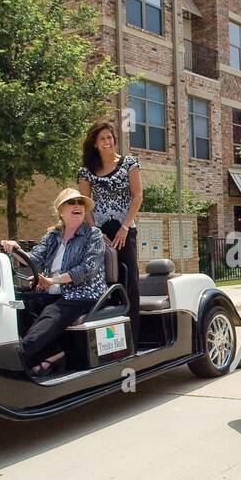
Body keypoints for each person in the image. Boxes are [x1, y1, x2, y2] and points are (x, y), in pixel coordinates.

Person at [0, 188, 105, 375]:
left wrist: (52, 280)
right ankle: (54, 352)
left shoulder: (93, 234)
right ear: (61, 210)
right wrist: (16, 248)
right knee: (19, 303)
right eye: (71, 203)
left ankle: (15, 361)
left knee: (51, 312)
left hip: (83, 294)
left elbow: (87, 269)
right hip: (53, 290)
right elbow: (33, 259)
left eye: (80, 203)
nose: (77, 206)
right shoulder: (53, 236)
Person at [77, 120, 143, 341]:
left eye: (110, 137)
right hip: (100, 232)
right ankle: (109, 335)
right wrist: (95, 231)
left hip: (124, 229)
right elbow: (85, 203)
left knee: (129, 279)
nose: (107, 141)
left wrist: (125, 227)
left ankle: (133, 335)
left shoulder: (129, 163)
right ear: (95, 144)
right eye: (102, 138)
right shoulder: (86, 171)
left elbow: (137, 196)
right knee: (103, 280)